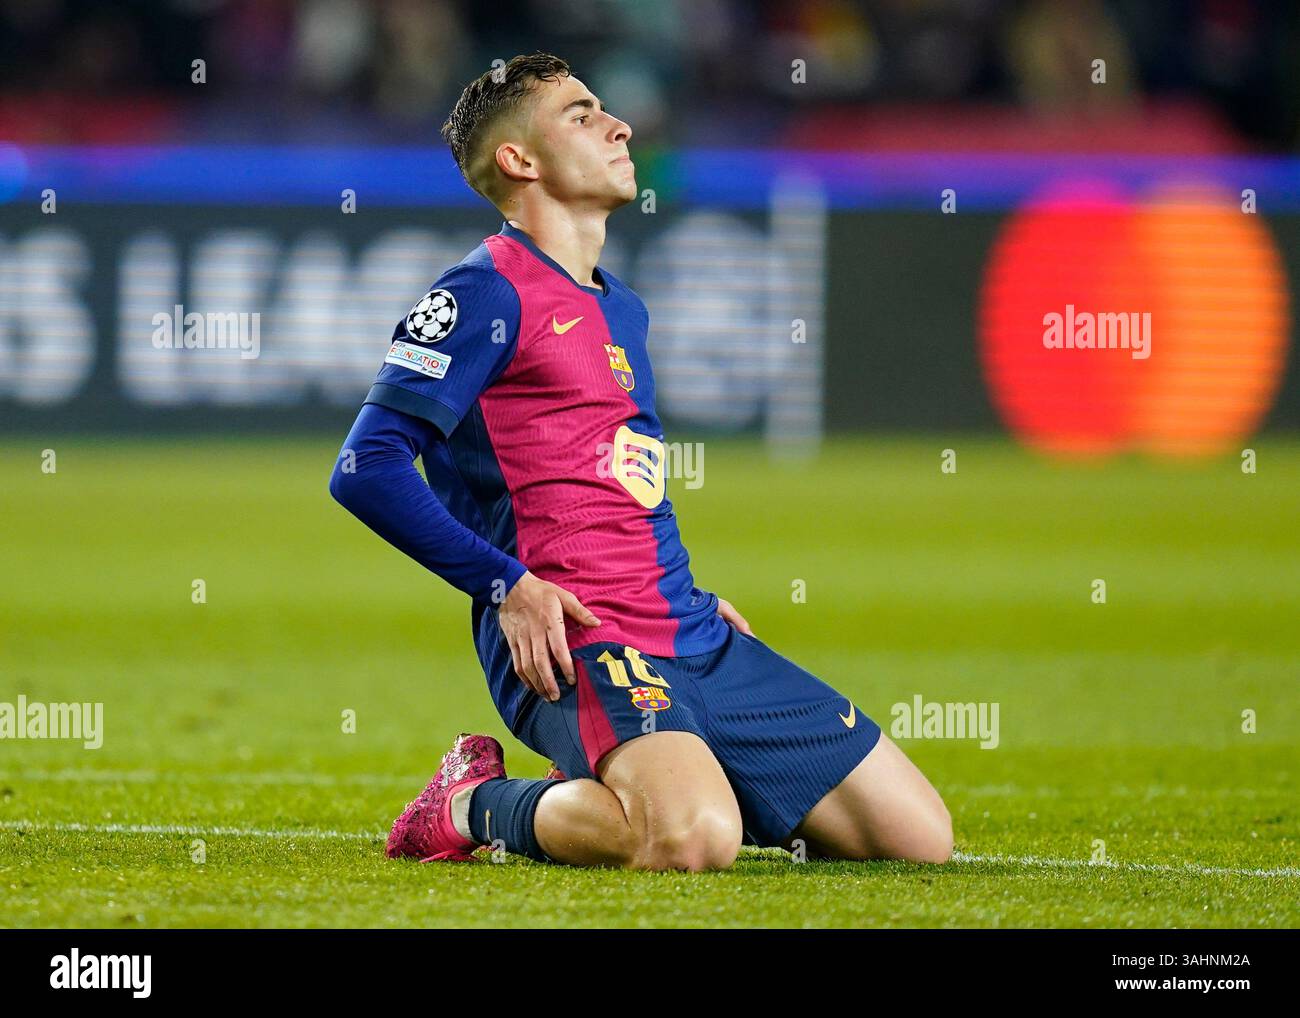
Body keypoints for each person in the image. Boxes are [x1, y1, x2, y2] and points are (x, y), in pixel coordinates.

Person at [329, 53, 952, 870]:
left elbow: (618, 482)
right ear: (520, 161)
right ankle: (471, 802)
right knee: (691, 840)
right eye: (582, 116)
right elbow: (366, 465)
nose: (619, 125)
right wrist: (504, 586)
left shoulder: (620, 306)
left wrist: (686, 591)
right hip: (578, 636)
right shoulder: (485, 292)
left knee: (916, 840)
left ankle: (641, 767)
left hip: (687, 627)